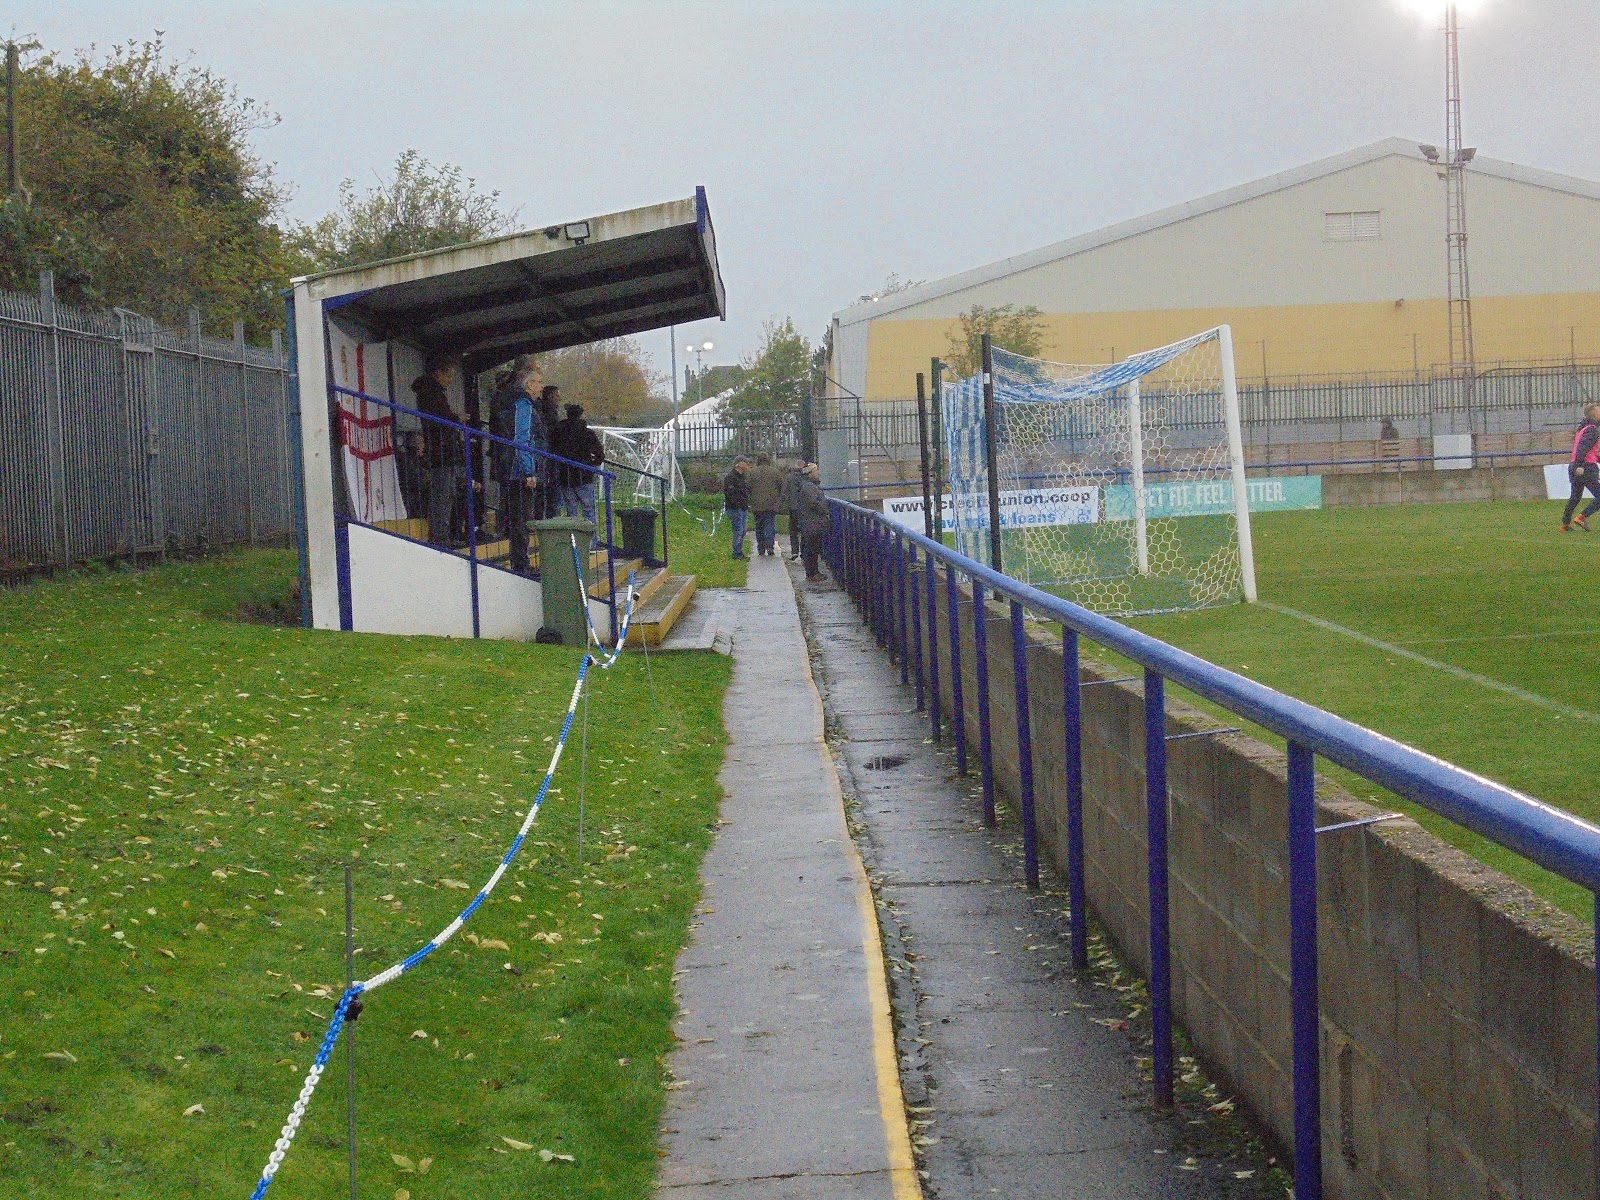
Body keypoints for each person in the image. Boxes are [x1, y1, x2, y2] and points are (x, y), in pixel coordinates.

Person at [489, 356, 545, 572]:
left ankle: (520, 561)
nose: (541, 387)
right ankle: (521, 564)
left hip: (512, 470)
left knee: (519, 518)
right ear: (529, 384)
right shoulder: (523, 405)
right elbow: (522, 439)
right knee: (522, 519)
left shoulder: (516, 402)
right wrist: (529, 471)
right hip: (519, 472)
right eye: (539, 382)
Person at [412, 356, 467, 546]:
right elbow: (438, 419)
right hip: (440, 451)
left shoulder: (433, 393)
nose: (450, 381)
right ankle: (439, 537)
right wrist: (456, 418)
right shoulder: (429, 394)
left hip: (445, 451)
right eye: (449, 376)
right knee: (441, 496)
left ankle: (444, 535)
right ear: (438, 373)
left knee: (447, 494)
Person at [550, 401, 606, 528]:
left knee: (571, 511)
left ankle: (574, 541)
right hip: (584, 476)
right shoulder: (587, 433)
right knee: (589, 511)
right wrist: (592, 465)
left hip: (565, 476)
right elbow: (599, 455)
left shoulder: (559, 432)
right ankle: (591, 542)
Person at [1561, 403, 1600, 532]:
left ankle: (1565, 525)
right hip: (1585, 467)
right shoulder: (1592, 429)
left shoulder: (1582, 428)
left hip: (1574, 466)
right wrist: (1580, 465)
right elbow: (1583, 448)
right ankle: (1582, 517)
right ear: (1594, 414)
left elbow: (1588, 450)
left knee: (1575, 497)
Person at [794, 462, 832, 581]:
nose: (818, 472)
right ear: (810, 473)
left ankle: (812, 572)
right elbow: (813, 503)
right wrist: (824, 510)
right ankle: (812, 573)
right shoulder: (809, 487)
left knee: (812, 548)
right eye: (816, 470)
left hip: (810, 522)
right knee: (812, 549)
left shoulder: (806, 485)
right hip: (812, 523)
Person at [746, 452, 785, 557]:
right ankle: (770, 546)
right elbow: (782, 486)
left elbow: (748, 487)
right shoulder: (775, 472)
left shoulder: (752, 472)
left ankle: (761, 548)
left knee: (759, 526)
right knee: (770, 524)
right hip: (772, 503)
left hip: (756, 504)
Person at [537, 386, 564, 519]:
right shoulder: (548, 414)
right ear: (550, 397)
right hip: (549, 457)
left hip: (549, 456)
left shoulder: (546, 411)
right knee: (550, 490)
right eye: (557, 395)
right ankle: (551, 518)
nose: (560, 398)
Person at [723, 457, 751, 559]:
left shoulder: (743, 477)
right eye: (745, 462)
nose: (747, 464)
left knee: (743, 530)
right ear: (738, 464)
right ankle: (736, 552)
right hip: (734, 508)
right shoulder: (731, 478)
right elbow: (730, 494)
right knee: (738, 530)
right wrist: (738, 504)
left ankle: (739, 550)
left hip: (743, 508)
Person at [779, 459, 807, 559]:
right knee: (804, 530)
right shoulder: (804, 478)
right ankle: (804, 552)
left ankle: (794, 551)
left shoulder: (789, 477)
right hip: (804, 508)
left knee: (793, 530)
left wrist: (781, 505)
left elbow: (784, 492)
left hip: (792, 507)